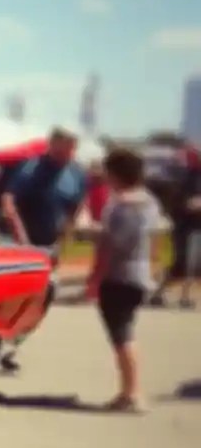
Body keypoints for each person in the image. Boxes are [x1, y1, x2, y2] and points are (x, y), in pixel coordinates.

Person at [85, 148, 162, 413]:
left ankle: (131, 393)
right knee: (126, 333)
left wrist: (94, 278)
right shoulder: (150, 202)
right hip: (140, 275)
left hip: (118, 276)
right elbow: (155, 240)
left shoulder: (118, 204)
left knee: (122, 337)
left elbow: (108, 246)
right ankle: (129, 390)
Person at [0, 127, 87, 265]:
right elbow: (8, 202)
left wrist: (62, 243)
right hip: (18, 243)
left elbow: (76, 206)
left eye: (71, 150)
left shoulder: (77, 173)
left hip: (51, 245)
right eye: (62, 150)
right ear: (51, 145)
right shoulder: (29, 169)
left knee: (47, 284)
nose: (67, 155)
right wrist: (23, 242)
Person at [149, 144, 201, 309]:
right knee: (185, 262)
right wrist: (189, 204)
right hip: (186, 226)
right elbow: (178, 202)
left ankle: (170, 295)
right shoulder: (185, 177)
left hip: (196, 225)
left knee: (190, 263)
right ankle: (180, 297)